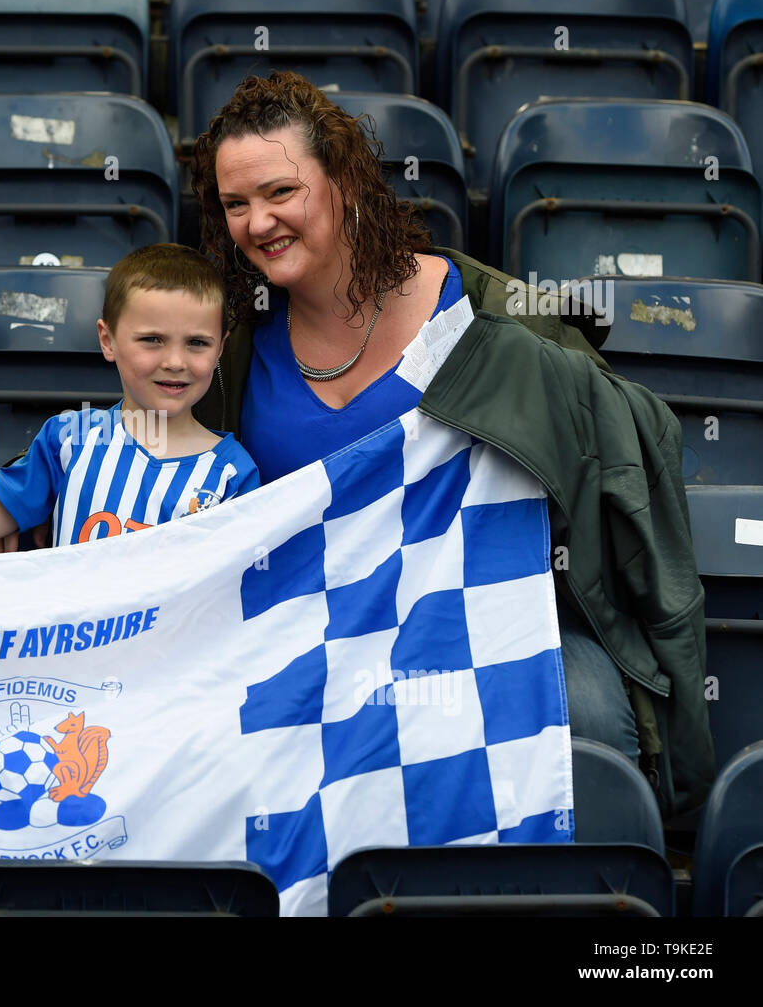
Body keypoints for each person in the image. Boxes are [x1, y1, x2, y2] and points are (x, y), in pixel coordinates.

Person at [190, 72, 713, 817]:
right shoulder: (233, 352)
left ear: (341, 181)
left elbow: (626, 442)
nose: (257, 221)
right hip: (312, 630)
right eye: (235, 204)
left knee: (589, 716)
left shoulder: (489, 311)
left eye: (280, 192)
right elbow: (152, 455)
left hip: (489, 617)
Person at [0, 243, 260, 547]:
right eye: (152, 339)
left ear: (220, 348)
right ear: (107, 340)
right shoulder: (70, 439)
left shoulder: (233, 473)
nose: (175, 362)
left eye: (197, 343)